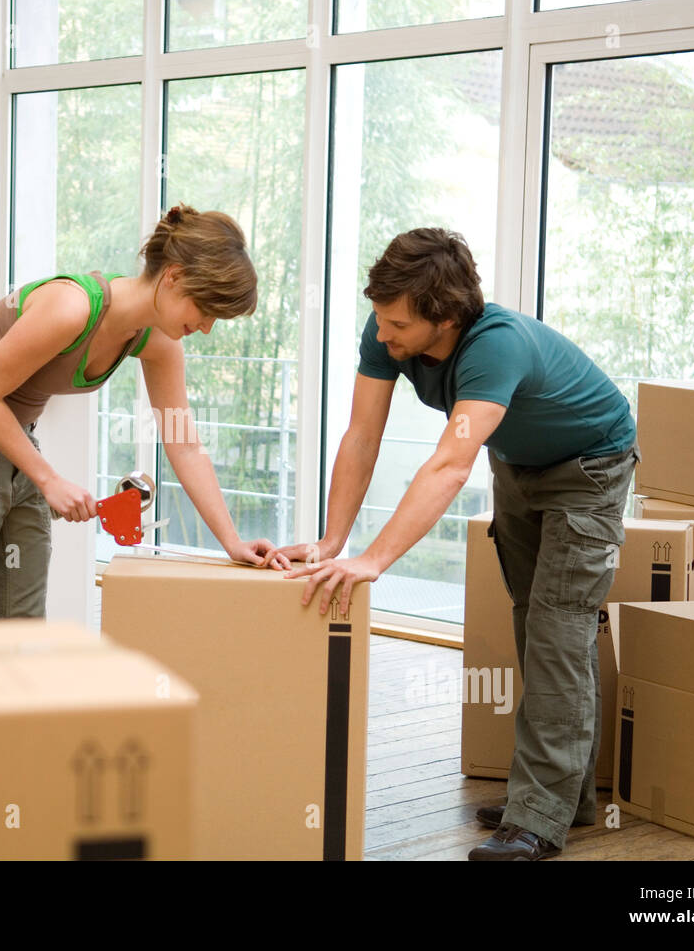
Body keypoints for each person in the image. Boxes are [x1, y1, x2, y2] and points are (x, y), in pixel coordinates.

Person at [265, 227, 638, 861]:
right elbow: (361, 435)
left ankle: (539, 817)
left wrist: (374, 561)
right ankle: (561, 795)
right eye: (380, 319)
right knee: (533, 623)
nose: (383, 335)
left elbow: (448, 466)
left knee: (558, 630)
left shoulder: (496, 348)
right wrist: (333, 542)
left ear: (444, 317)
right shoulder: (387, 328)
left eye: (398, 325)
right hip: (518, 465)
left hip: (589, 469)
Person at [0, 204, 289, 623]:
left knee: (21, 619)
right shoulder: (72, 307)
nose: (208, 326)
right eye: (206, 309)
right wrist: (48, 479)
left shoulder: (158, 342)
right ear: (174, 276)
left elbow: (185, 443)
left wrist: (231, 543)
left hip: (13, 440)